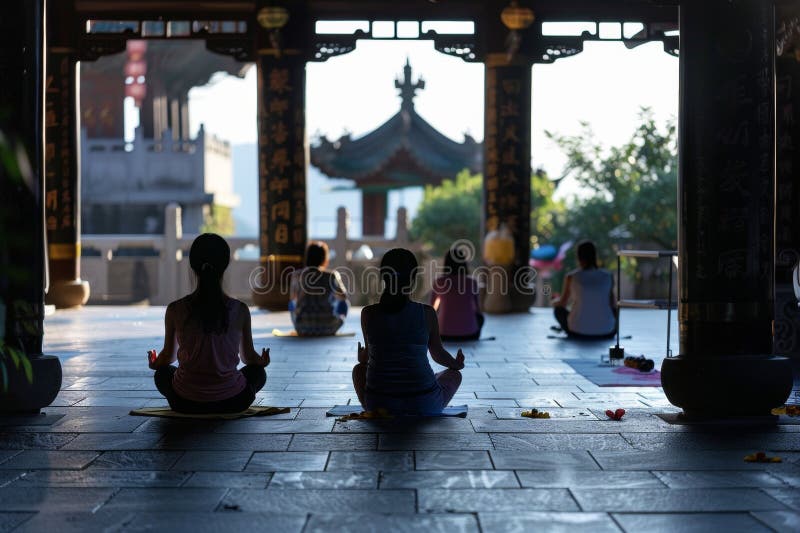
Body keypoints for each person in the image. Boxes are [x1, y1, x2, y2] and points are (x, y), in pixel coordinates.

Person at [149, 233, 270, 413]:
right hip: (233, 401)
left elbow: (168, 357)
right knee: (258, 373)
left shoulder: (175, 309)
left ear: (193, 266)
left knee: (162, 374)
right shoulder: (240, 310)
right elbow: (248, 359)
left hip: (184, 401)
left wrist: (155, 363)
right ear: (225, 265)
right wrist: (262, 361)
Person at [352, 248, 465, 415]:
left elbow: (367, 358)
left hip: (380, 404)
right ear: (413, 279)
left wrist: (362, 356)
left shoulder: (368, 314)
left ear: (383, 276)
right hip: (424, 403)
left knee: (358, 369)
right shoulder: (426, 313)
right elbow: (437, 354)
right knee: (454, 375)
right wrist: (457, 364)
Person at [551, 240, 617, 339]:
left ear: (578, 257)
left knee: (558, 310)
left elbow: (562, 303)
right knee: (616, 310)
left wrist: (554, 301)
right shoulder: (608, 276)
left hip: (577, 331)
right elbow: (612, 304)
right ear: (595, 256)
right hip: (607, 332)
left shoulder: (572, 276)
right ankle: (608, 326)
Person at [289, 241, 349, 336]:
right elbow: (344, 296)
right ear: (324, 258)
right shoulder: (331, 275)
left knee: (291, 304)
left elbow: (292, 298)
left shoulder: (296, 275)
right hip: (329, 327)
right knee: (344, 302)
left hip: (302, 327)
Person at [431, 248, 484, 341]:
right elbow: (477, 309)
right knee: (480, 318)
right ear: (464, 263)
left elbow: (432, 309)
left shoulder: (439, 281)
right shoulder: (472, 282)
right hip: (470, 334)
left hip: (442, 334)